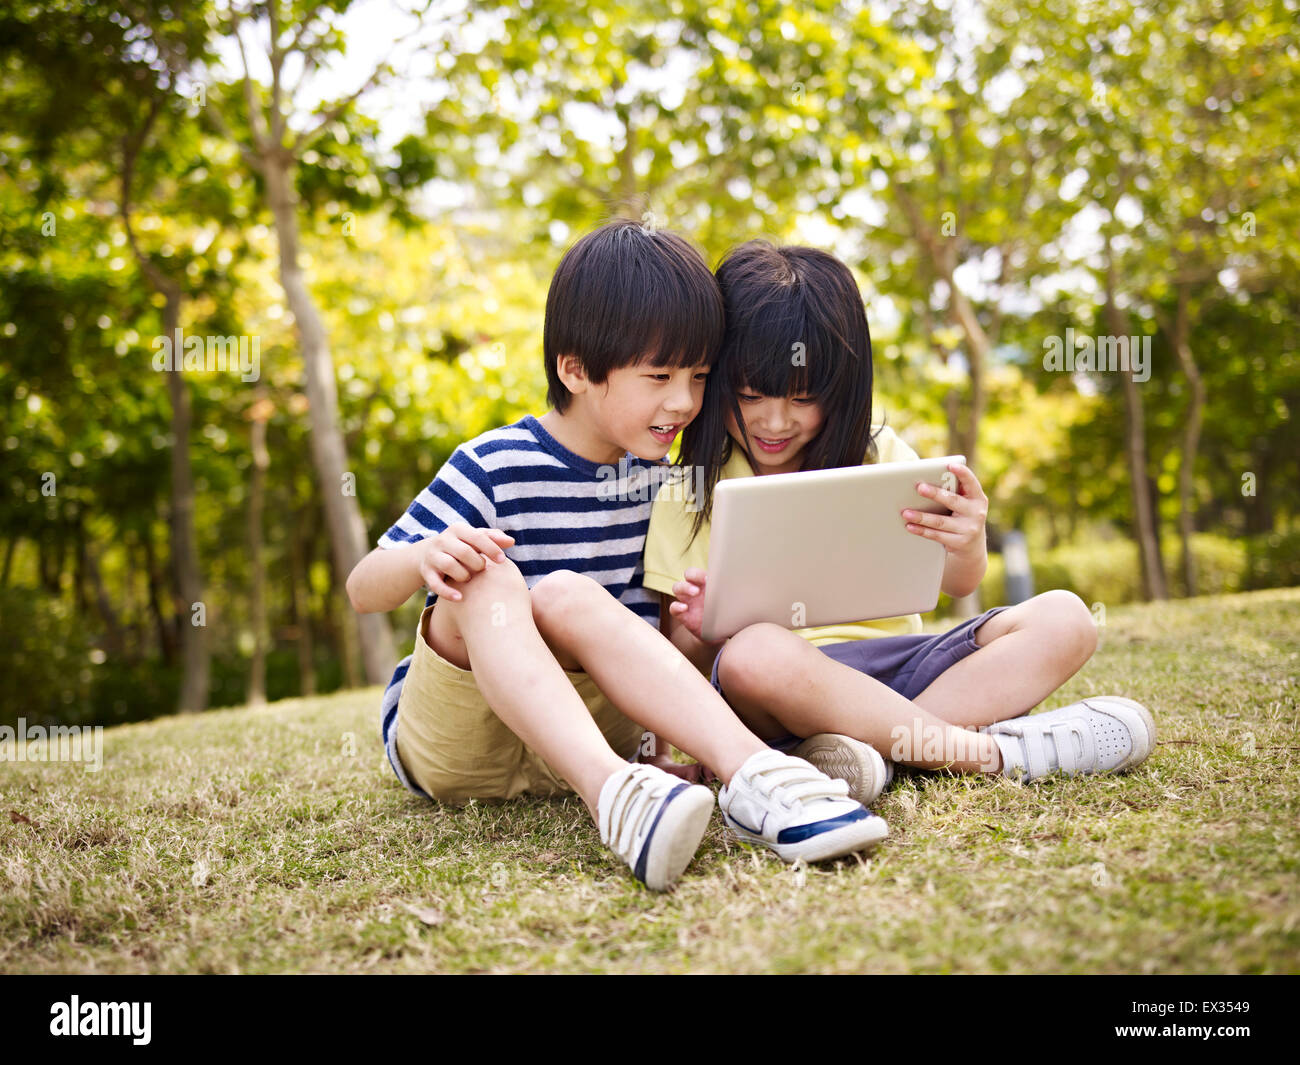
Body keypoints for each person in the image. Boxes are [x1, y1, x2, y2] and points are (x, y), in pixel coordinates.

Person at [346, 221, 888, 893]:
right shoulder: (494, 464)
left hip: (597, 731)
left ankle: (761, 780)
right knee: (498, 578)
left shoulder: (676, 485)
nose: (685, 401)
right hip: (461, 744)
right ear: (575, 368)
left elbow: (662, 646)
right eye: (659, 375)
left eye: (698, 376)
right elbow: (363, 588)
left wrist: (695, 640)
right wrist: (429, 552)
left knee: (578, 599)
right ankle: (615, 800)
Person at [642, 240, 1156, 801]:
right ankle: (990, 755)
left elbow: (958, 584)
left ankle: (861, 755)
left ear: (843, 388)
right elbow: (675, 665)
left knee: (1066, 617)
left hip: (904, 670)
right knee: (754, 654)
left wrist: (967, 539)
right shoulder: (688, 490)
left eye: (803, 398)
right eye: (750, 395)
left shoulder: (882, 455)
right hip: (777, 693)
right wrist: (702, 630)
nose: (774, 420)